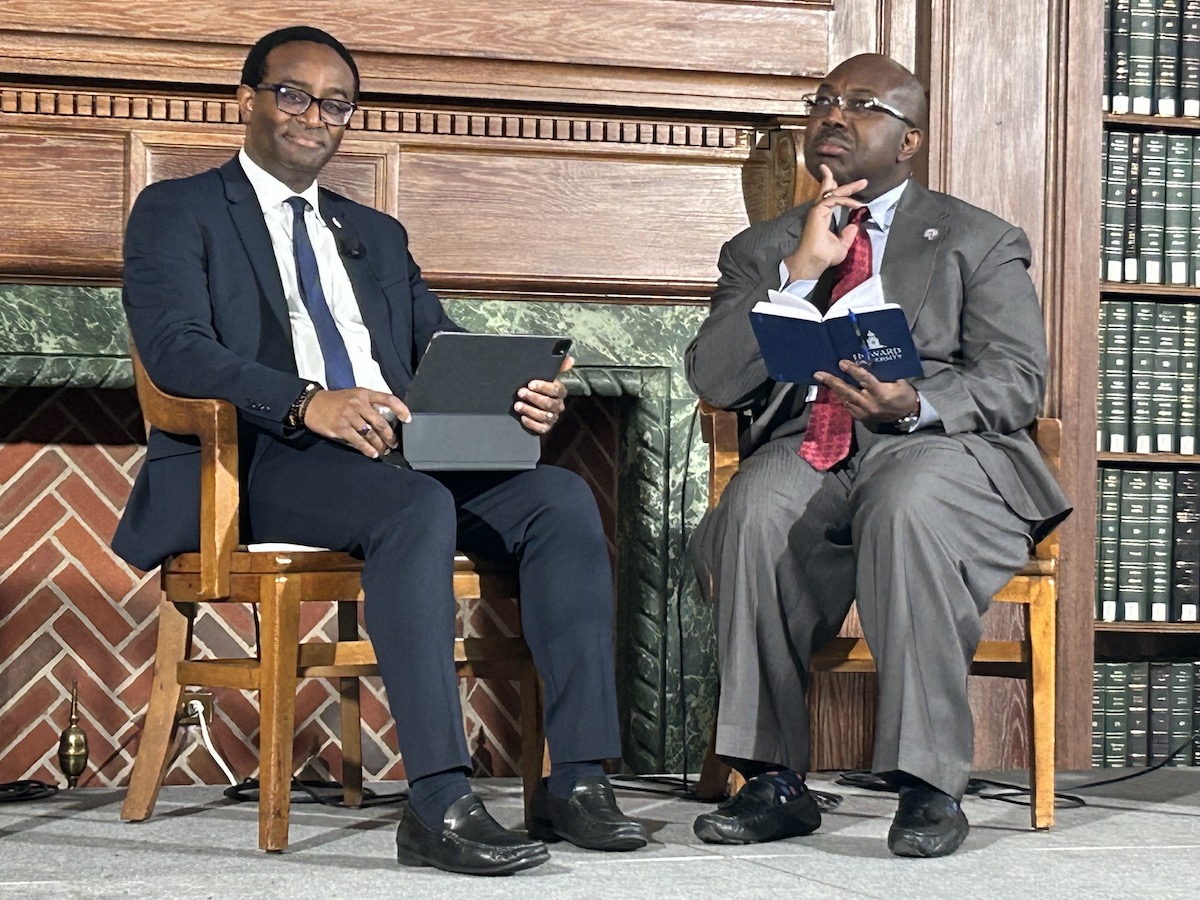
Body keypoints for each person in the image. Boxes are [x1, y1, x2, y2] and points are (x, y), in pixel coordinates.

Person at [112, 25, 646, 875]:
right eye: (291, 93)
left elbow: (436, 346)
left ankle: (574, 780)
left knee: (561, 501)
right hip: (263, 459)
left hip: (400, 449)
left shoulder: (377, 233)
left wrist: (513, 386)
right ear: (244, 99)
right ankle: (436, 800)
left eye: (334, 104)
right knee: (416, 506)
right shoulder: (179, 209)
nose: (312, 116)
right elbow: (177, 348)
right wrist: (305, 401)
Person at [684, 53, 1071, 858]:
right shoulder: (759, 250)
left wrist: (919, 402)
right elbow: (714, 379)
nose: (832, 114)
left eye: (861, 104)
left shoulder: (978, 238)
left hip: (938, 450)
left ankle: (928, 785)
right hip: (813, 447)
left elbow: (1017, 378)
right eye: (822, 100)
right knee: (755, 506)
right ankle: (771, 780)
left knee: (906, 501)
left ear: (908, 141)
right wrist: (798, 276)